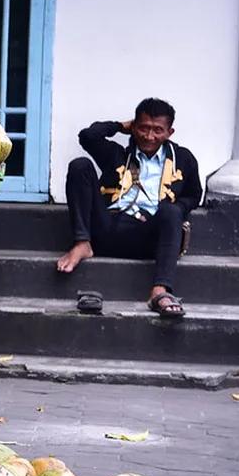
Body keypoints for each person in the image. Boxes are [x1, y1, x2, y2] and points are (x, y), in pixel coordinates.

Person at [56, 98, 202, 317]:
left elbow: (194, 195)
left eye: (157, 130)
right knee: (80, 166)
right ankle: (82, 243)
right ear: (134, 127)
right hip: (107, 228)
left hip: (148, 237)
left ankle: (160, 290)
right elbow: (87, 136)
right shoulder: (117, 154)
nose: (149, 136)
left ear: (170, 132)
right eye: (143, 128)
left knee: (173, 211)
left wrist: (172, 210)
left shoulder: (183, 159)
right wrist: (119, 126)